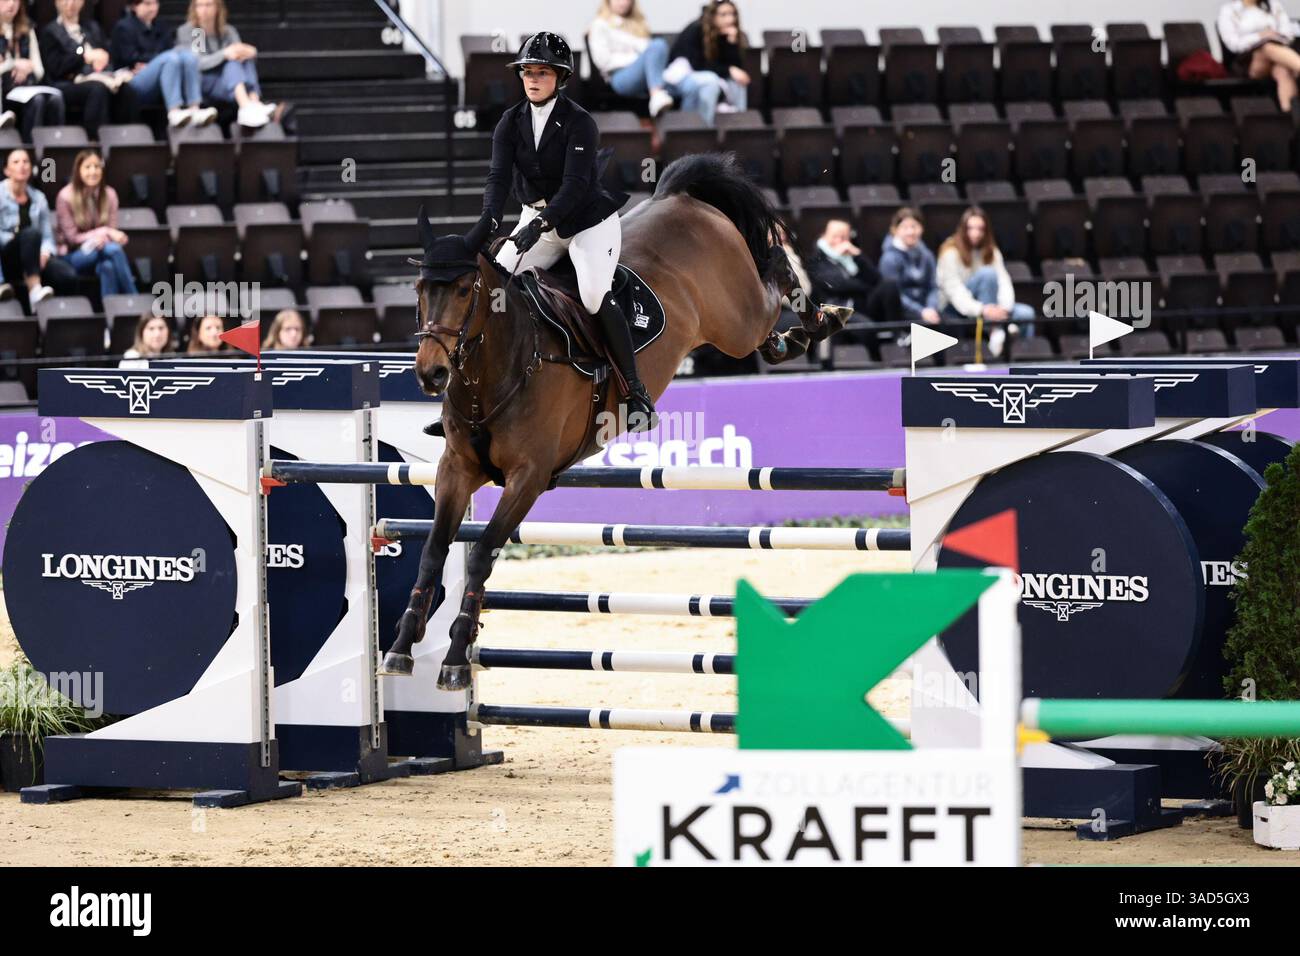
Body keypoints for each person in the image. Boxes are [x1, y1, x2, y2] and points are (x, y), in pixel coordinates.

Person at [480, 32, 656, 431]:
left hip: (585, 221)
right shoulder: (509, 122)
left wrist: (539, 226)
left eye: (542, 72)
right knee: (494, 284)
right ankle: (477, 390)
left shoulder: (579, 122)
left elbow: (575, 187)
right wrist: (488, 219)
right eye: (527, 72)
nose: (532, 79)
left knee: (593, 295)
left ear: (560, 78)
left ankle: (635, 391)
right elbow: (497, 178)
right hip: (535, 219)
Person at [936, 207, 1035, 357]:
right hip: (957, 308)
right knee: (987, 274)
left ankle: (1022, 357)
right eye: (970, 228)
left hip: (991, 306)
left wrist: (1004, 309)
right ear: (963, 229)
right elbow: (955, 292)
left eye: (980, 229)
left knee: (1026, 314)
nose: (975, 233)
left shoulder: (991, 250)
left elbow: (1004, 282)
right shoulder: (950, 252)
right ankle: (996, 330)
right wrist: (982, 310)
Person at [40, 0, 138, 139]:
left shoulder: (92, 28)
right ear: (57, 2)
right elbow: (55, 68)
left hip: (99, 76)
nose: (71, 4)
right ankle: (96, 141)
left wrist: (103, 62)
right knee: (97, 89)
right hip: (67, 82)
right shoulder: (50, 32)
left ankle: (128, 139)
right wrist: (83, 57)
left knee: (126, 89)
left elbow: (107, 55)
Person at [110, 0, 216, 128]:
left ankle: (195, 108)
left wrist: (154, 64)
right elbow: (129, 57)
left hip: (171, 74)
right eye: (147, 4)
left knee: (189, 56)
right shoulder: (124, 27)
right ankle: (174, 111)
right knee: (172, 58)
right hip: (134, 78)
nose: (152, 8)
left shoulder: (162, 26)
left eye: (155, 3)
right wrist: (155, 63)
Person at [181, 0, 282, 128]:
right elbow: (200, 63)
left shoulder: (227, 30)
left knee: (242, 58)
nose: (204, 10)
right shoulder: (196, 31)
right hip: (205, 83)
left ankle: (254, 102)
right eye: (199, 6)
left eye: (208, 5)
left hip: (229, 81)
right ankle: (245, 106)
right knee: (231, 61)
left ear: (217, 7)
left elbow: (238, 52)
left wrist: (252, 51)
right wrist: (225, 54)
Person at [0, 148, 76, 309]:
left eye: (26, 161)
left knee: (67, 275)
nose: (22, 165)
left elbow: (47, 236)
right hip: (7, 255)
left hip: (34, 255)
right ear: (6, 170)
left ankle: (56, 315)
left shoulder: (39, 198)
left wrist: (45, 253)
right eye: (16, 162)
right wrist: (15, 240)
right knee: (31, 234)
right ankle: (34, 291)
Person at [56, 150, 137, 299]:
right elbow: (72, 238)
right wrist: (103, 232)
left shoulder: (110, 194)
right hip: (72, 256)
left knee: (108, 267)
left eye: (97, 166)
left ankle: (110, 311)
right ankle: (134, 297)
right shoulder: (65, 196)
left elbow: (112, 232)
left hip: (102, 251)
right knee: (114, 250)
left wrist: (103, 238)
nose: (93, 171)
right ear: (78, 170)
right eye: (87, 167)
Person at [806, 219, 903, 336]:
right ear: (824, 235)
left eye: (843, 237)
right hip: (839, 309)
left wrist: (858, 256)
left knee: (889, 286)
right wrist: (865, 287)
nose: (839, 241)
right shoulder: (816, 260)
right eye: (835, 236)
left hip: (862, 304)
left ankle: (897, 335)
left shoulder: (851, 256)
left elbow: (876, 279)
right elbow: (838, 285)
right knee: (866, 326)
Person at [664, 0, 749, 125]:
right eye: (724, 14)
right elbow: (697, 65)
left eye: (733, 14)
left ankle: (739, 126)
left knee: (737, 81)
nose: (730, 19)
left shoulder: (727, 34)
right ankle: (705, 128)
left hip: (709, 75)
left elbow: (736, 68)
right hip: (680, 77)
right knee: (710, 82)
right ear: (713, 16)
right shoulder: (696, 29)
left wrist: (731, 43)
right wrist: (729, 70)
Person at [587, 0, 673, 117]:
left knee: (690, 85)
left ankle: (683, 125)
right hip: (619, 77)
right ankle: (656, 94)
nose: (623, 2)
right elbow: (603, 61)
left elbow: (650, 54)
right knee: (658, 45)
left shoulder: (639, 24)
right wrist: (637, 57)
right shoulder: (600, 25)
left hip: (647, 75)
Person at [1218, 0, 1300, 114]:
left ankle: (1291, 117)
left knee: (1283, 71)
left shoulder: (1274, 5)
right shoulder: (1229, 10)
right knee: (1267, 47)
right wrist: (1260, 36)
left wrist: (1272, 37)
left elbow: (1288, 34)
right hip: (1248, 61)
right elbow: (1234, 44)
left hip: (1279, 55)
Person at [0, 0, 64, 141]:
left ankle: (54, 149)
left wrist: (28, 69)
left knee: (56, 99)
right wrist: (13, 65)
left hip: (25, 88)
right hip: (4, 91)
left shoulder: (27, 29)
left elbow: (39, 69)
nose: (11, 4)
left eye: (15, 0)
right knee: (37, 100)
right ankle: (31, 149)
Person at [877, 207, 940, 326]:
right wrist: (921, 312)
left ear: (921, 228)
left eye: (914, 226)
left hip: (928, 310)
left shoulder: (927, 255)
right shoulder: (889, 258)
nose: (910, 232)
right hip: (902, 313)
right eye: (905, 227)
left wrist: (931, 307)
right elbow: (895, 295)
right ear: (895, 230)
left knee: (950, 326)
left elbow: (933, 287)